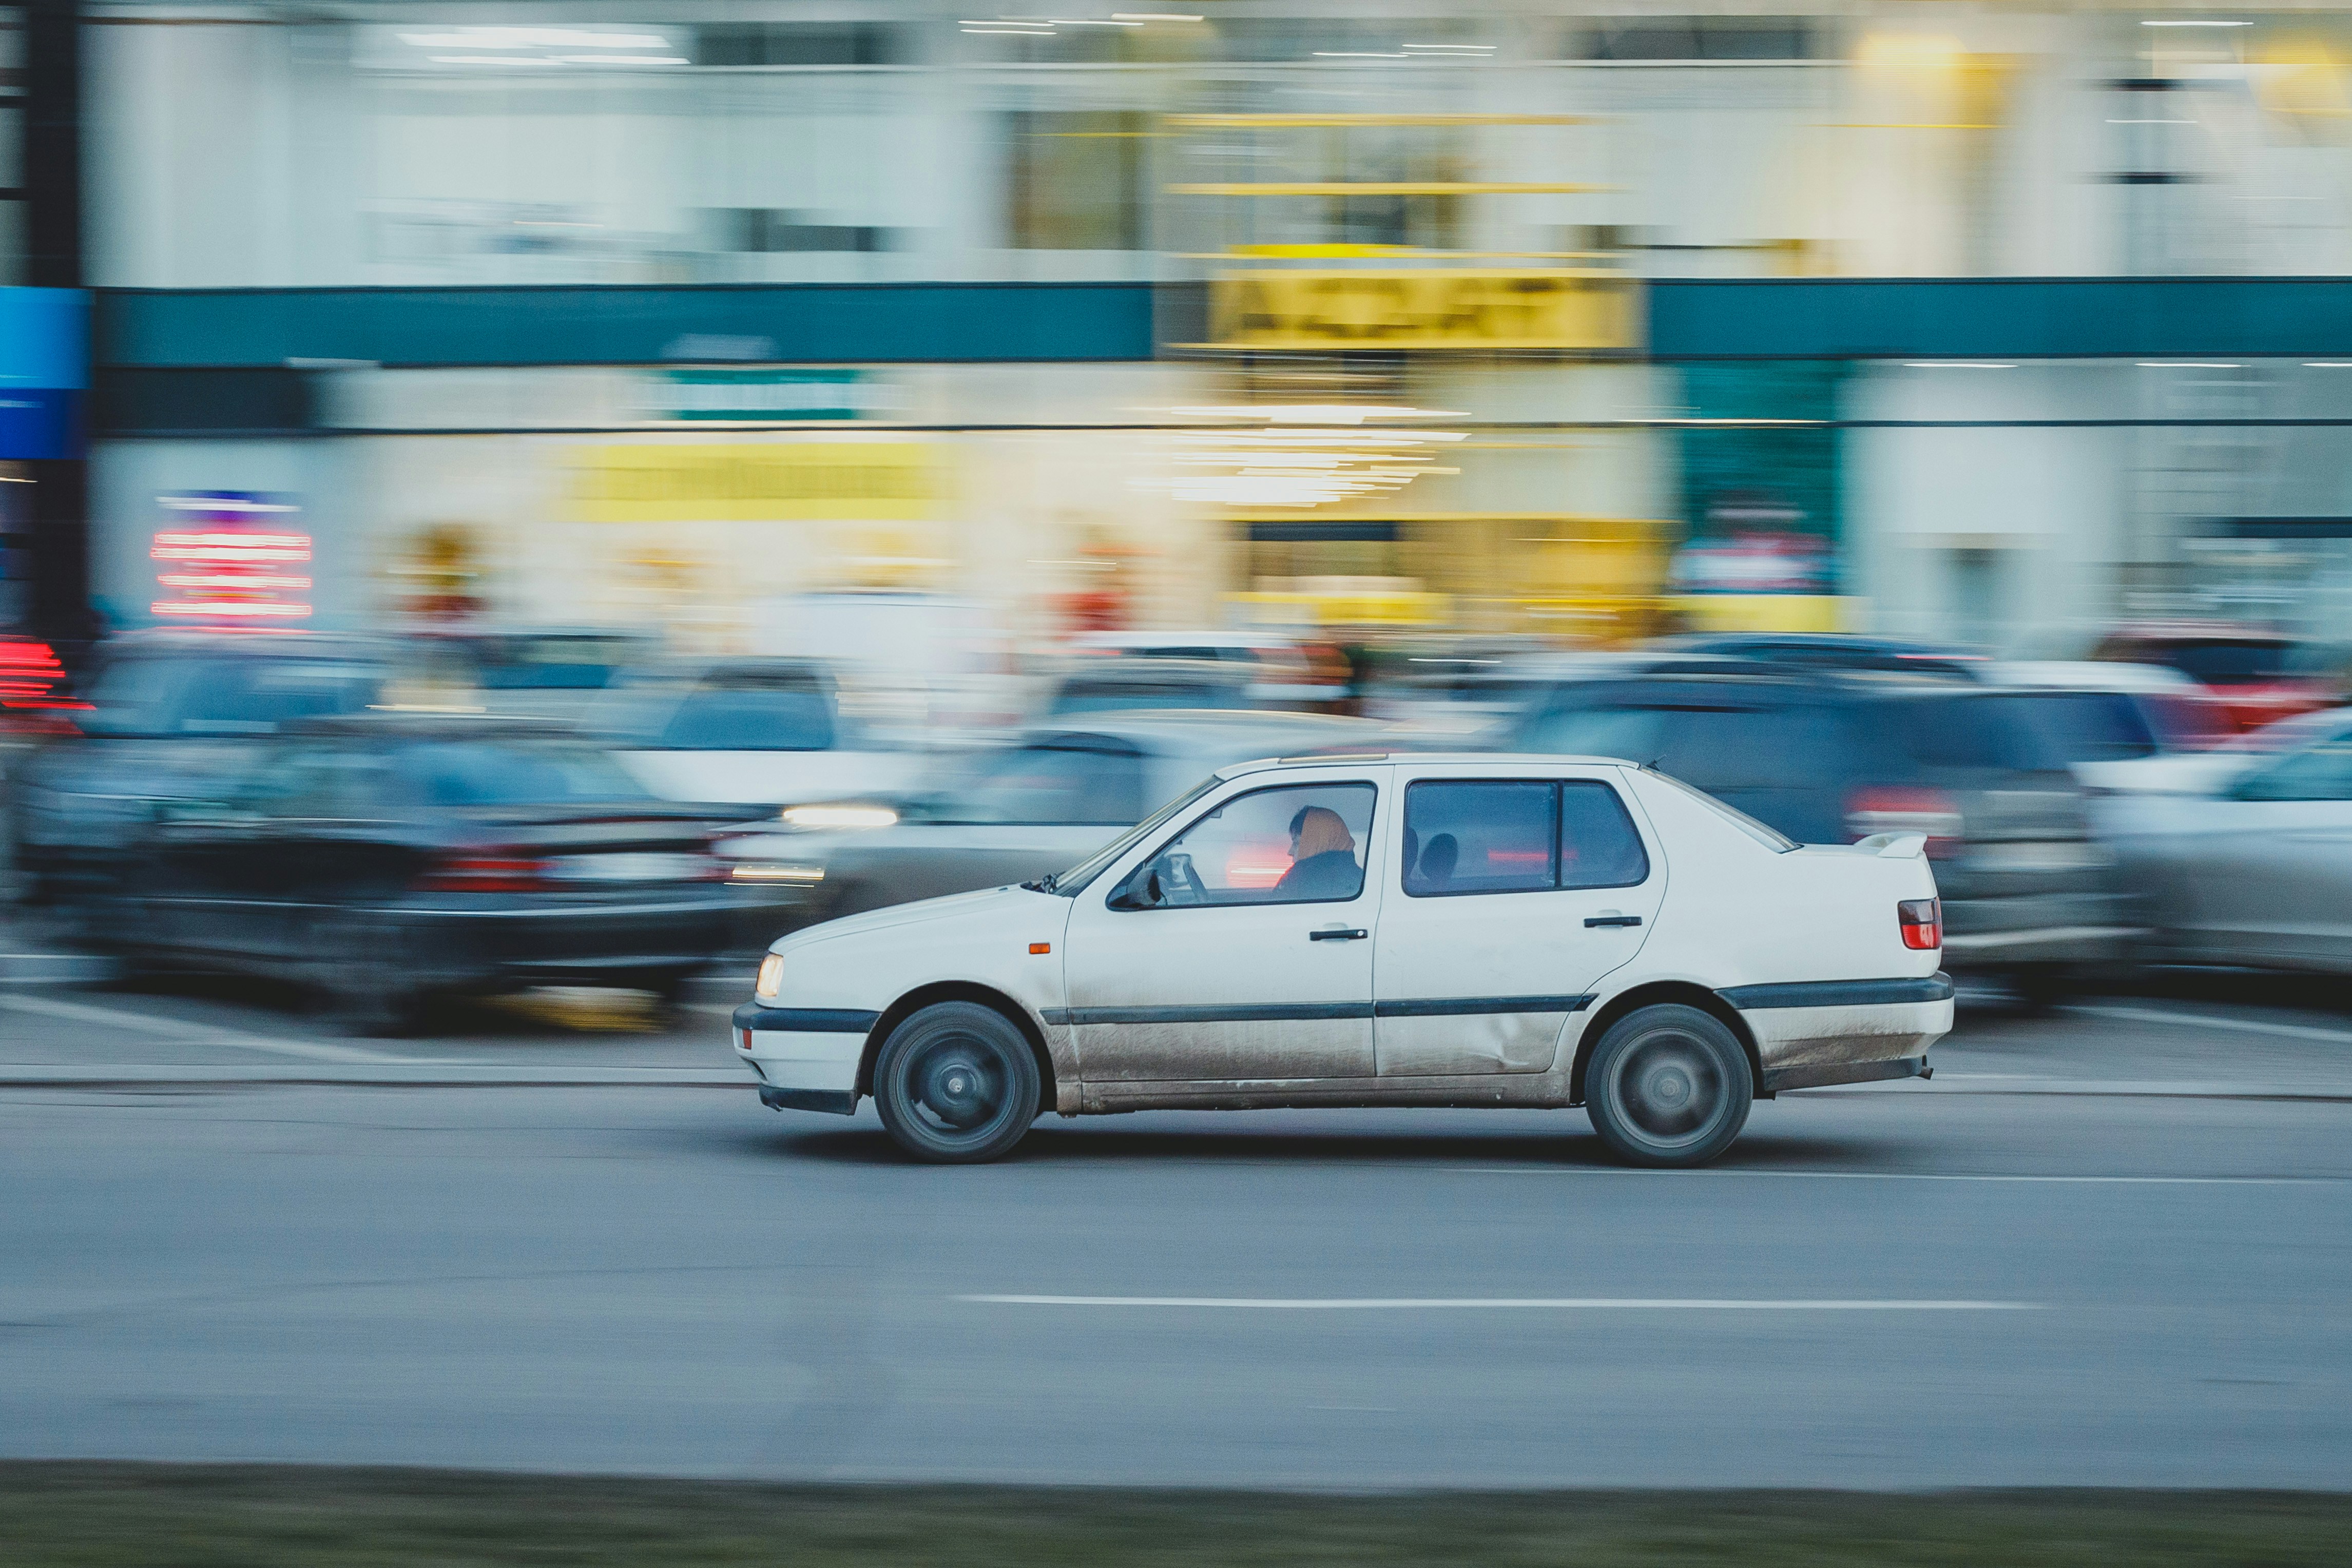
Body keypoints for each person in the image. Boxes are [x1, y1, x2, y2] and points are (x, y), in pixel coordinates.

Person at [1275, 804, 1362, 900]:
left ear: (1318, 842)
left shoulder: (1300, 881)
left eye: (1297, 843)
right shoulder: (1362, 881)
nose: (1290, 851)